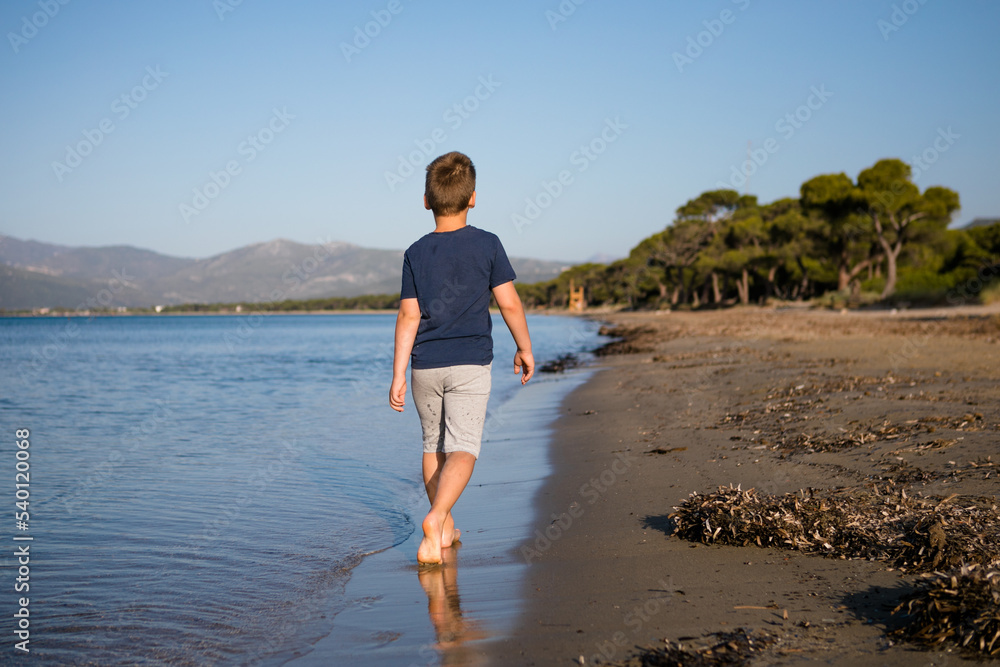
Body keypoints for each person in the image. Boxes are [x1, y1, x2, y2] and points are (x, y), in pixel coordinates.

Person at [390, 151, 534, 565]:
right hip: (470, 362)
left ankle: (445, 527)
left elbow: (408, 315)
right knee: (464, 447)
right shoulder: (488, 244)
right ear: (473, 198)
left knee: (432, 445)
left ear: (425, 200)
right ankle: (436, 519)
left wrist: (398, 373)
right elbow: (509, 304)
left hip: (424, 366)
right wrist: (523, 347)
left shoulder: (415, 252)